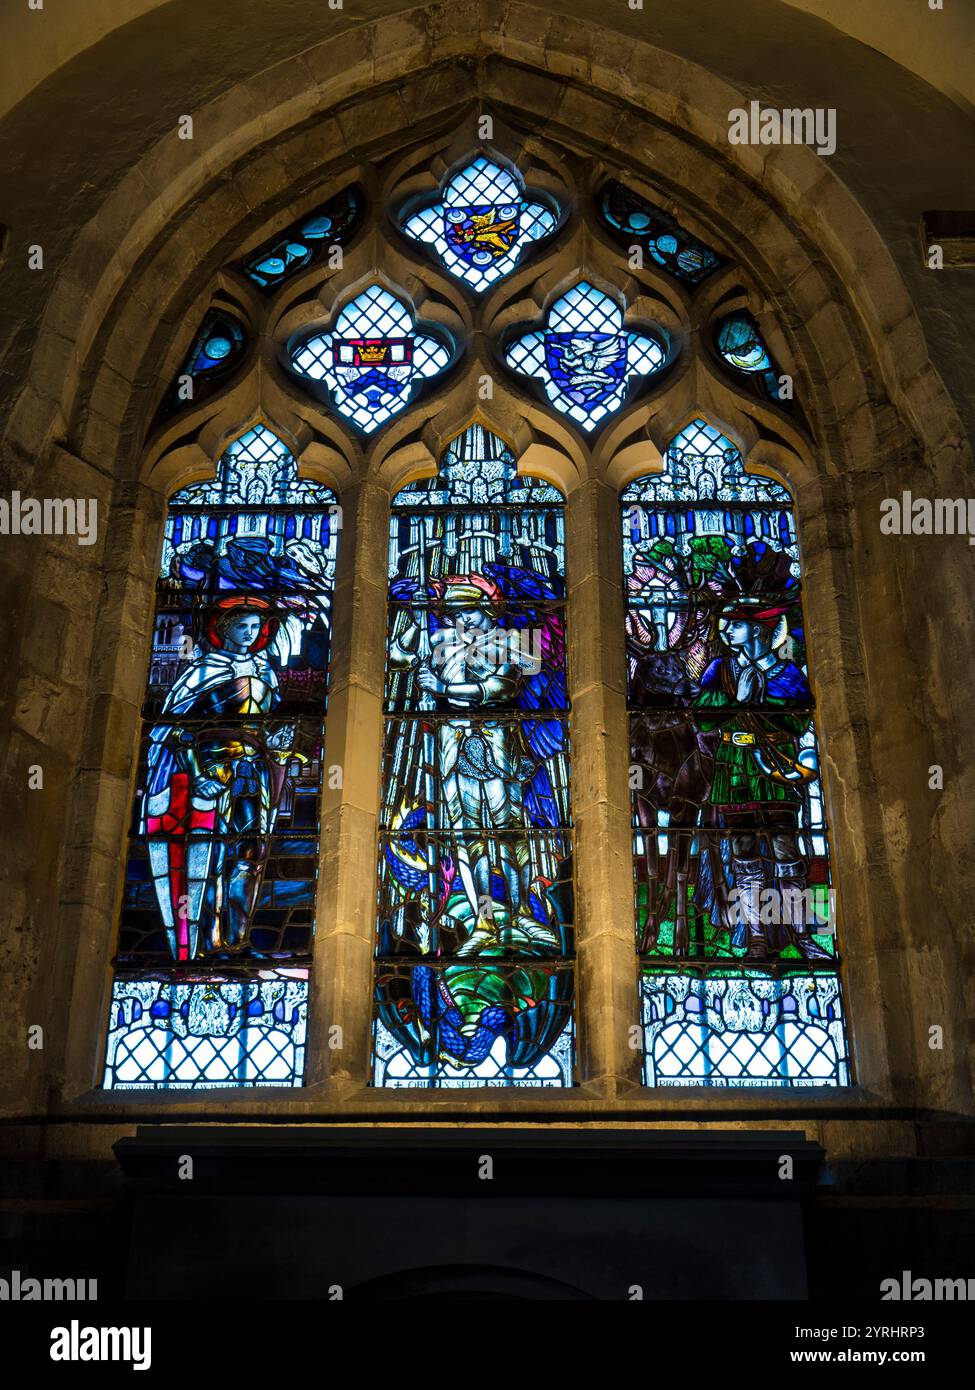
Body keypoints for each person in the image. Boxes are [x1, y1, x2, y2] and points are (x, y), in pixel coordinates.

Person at [142, 597, 295, 960]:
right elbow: (174, 730)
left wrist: (277, 741)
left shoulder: (265, 672)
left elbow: (268, 724)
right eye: (242, 625)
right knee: (211, 856)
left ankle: (237, 941)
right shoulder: (201, 672)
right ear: (224, 628)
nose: (250, 633)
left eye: (255, 626)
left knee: (250, 853)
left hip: (251, 771)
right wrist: (197, 775)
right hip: (211, 772)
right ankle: (208, 944)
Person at [695, 599, 830, 960]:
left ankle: (801, 935)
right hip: (734, 766)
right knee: (744, 855)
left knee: (786, 851)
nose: (727, 632)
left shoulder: (787, 674)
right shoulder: (720, 671)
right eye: (726, 625)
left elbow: (797, 721)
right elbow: (703, 719)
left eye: (735, 625)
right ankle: (756, 937)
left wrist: (758, 702)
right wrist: (736, 701)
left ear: (757, 630)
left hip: (775, 767)